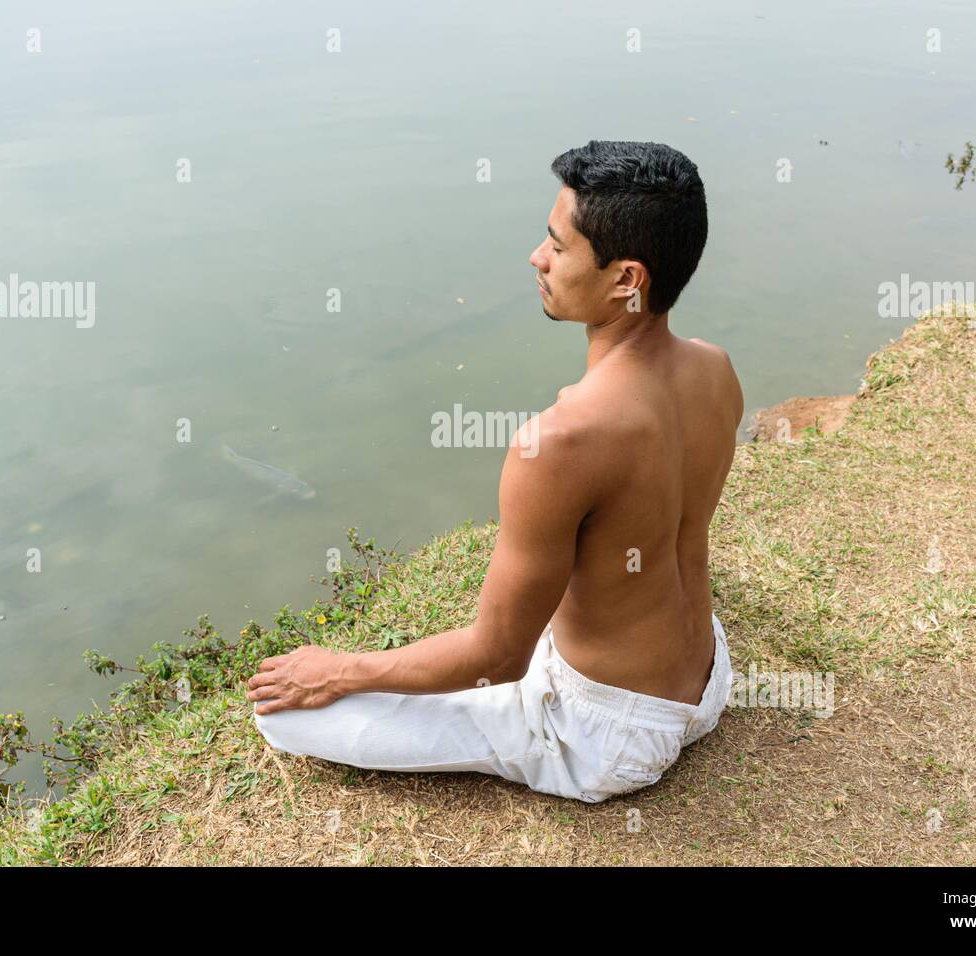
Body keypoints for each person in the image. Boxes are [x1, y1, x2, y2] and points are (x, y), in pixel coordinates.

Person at [248, 140, 744, 802]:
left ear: (627, 279)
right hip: (706, 683)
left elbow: (498, 657)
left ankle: (527, 734)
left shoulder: (560, 441)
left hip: (607, 734)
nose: (537, 258)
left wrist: (340, 670)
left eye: (557, 247)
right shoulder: (715, 369)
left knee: (283, 717)